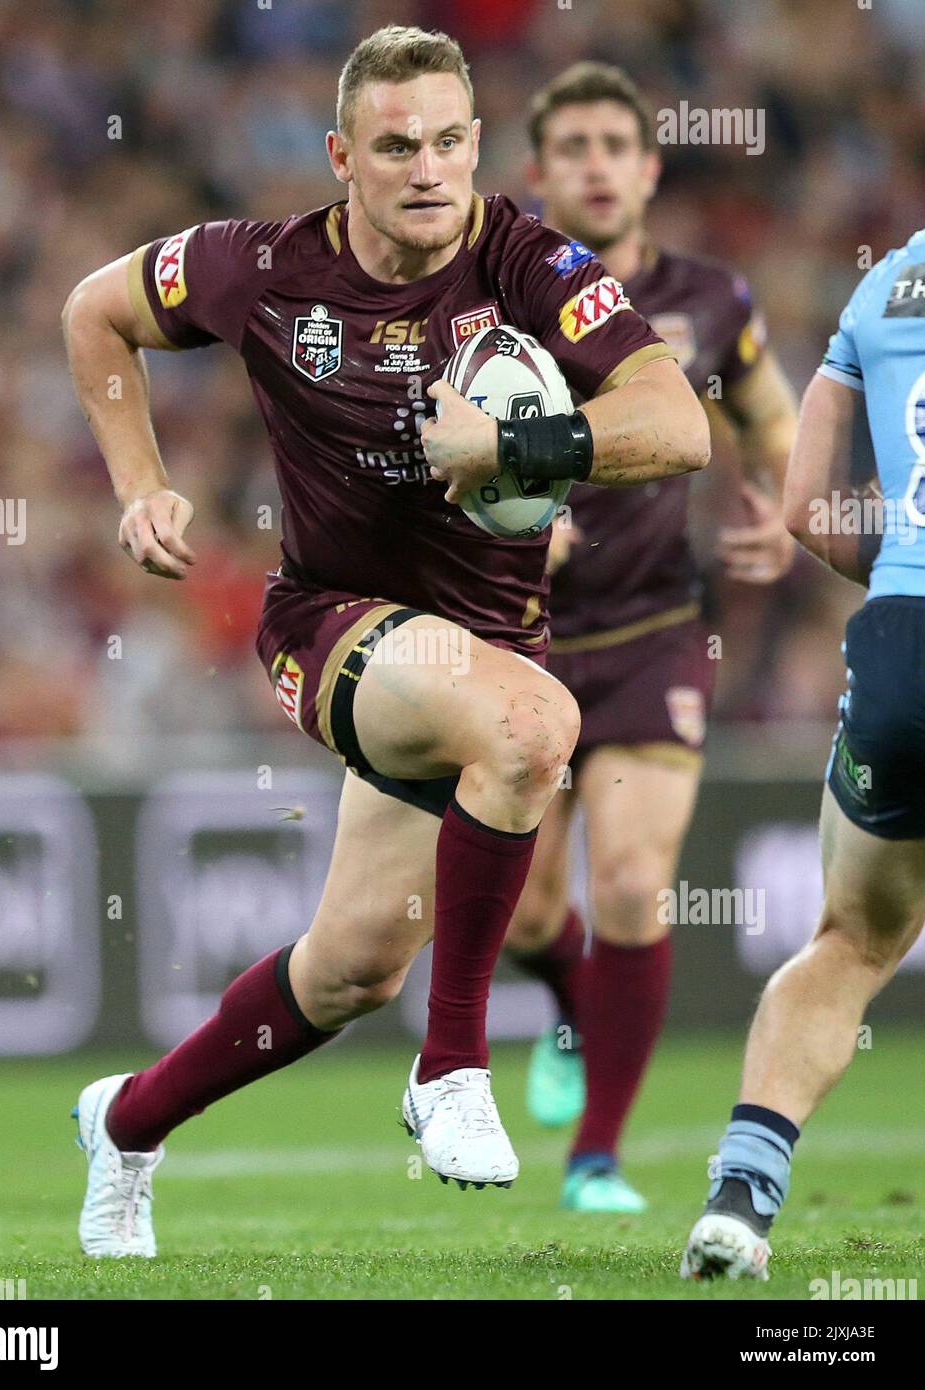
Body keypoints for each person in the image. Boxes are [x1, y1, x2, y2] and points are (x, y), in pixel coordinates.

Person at [63, 26, 708, 1258]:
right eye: (398, 146)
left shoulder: (529, 261)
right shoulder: (257, 268)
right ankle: (452, 1065)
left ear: (477, 143)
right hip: (331, 628)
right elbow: (91, 311)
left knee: (346, 969)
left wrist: (520, 449)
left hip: (480, 646)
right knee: (531, 727)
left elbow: (677, 423)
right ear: (341, 157)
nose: (429, 169)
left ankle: (129, 1121)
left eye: (452, 141)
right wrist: (139, 484)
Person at [502, 63, 797, 1213]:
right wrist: (506, 526)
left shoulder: (709, 298)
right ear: (536, 171)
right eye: (568, 144)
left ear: (646, 166)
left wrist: (782, 503)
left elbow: (769, 418)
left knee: (630, 884)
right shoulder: (483, 298)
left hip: (654, 633)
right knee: (530, 913)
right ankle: (575, 1016)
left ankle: (595, 1158)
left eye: (612, 143)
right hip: (513, 642)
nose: (592, 163)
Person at [682, 225, 925, 1279]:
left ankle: (740, 1197)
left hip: (902, 642)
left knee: (853, 940)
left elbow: (805, 509)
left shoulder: (885, 278)